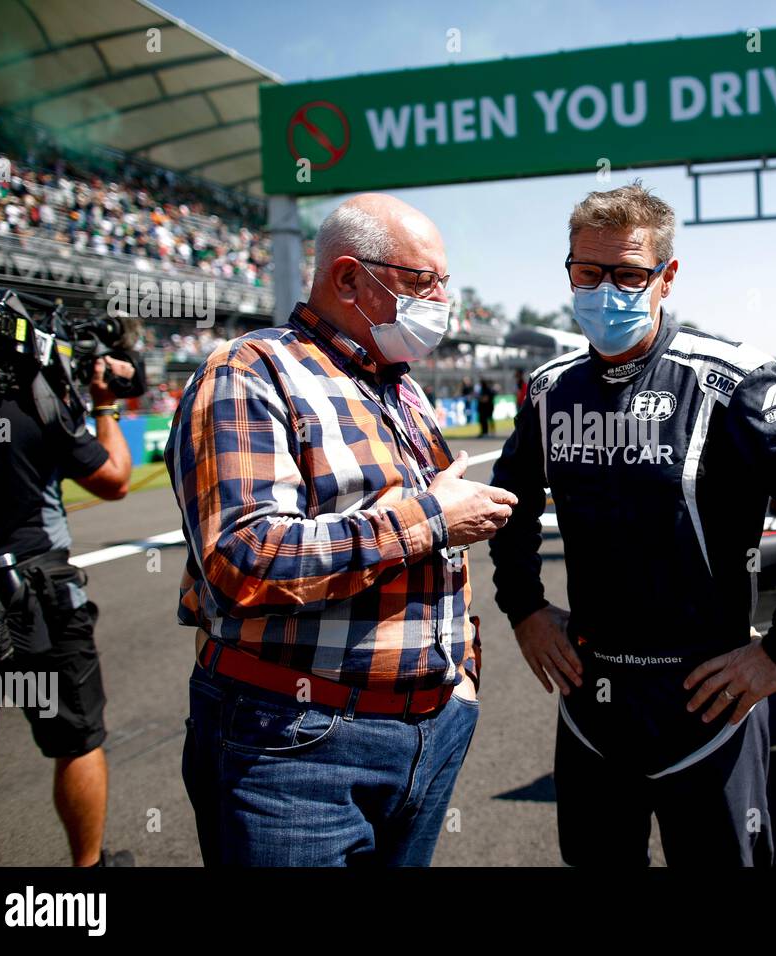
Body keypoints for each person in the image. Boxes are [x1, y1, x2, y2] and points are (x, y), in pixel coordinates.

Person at [488, 182, 776, 866]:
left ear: (666, 277)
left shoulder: (729, 380)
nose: (604, 290)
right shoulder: (552, 388)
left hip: (709, 704)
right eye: (588, 273)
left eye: (627, 274)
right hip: (592, 703)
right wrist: (524, 606)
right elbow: (510, 498)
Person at [168, 194, 517, 866]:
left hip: (428, 730)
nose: (442, 299)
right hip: (295, 744)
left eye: (445, 281)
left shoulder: (401, 387)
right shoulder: (251, 370)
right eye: (422, 281)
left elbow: (439, 546)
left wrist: (461, 676)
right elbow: (245, 558)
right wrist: (431, 520)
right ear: (349, 277)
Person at [0, 354, 134, 866]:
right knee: (75, 739)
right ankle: (86, 875)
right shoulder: (33, 395)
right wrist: (104, 403)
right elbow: (114, 478)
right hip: (35, 593)